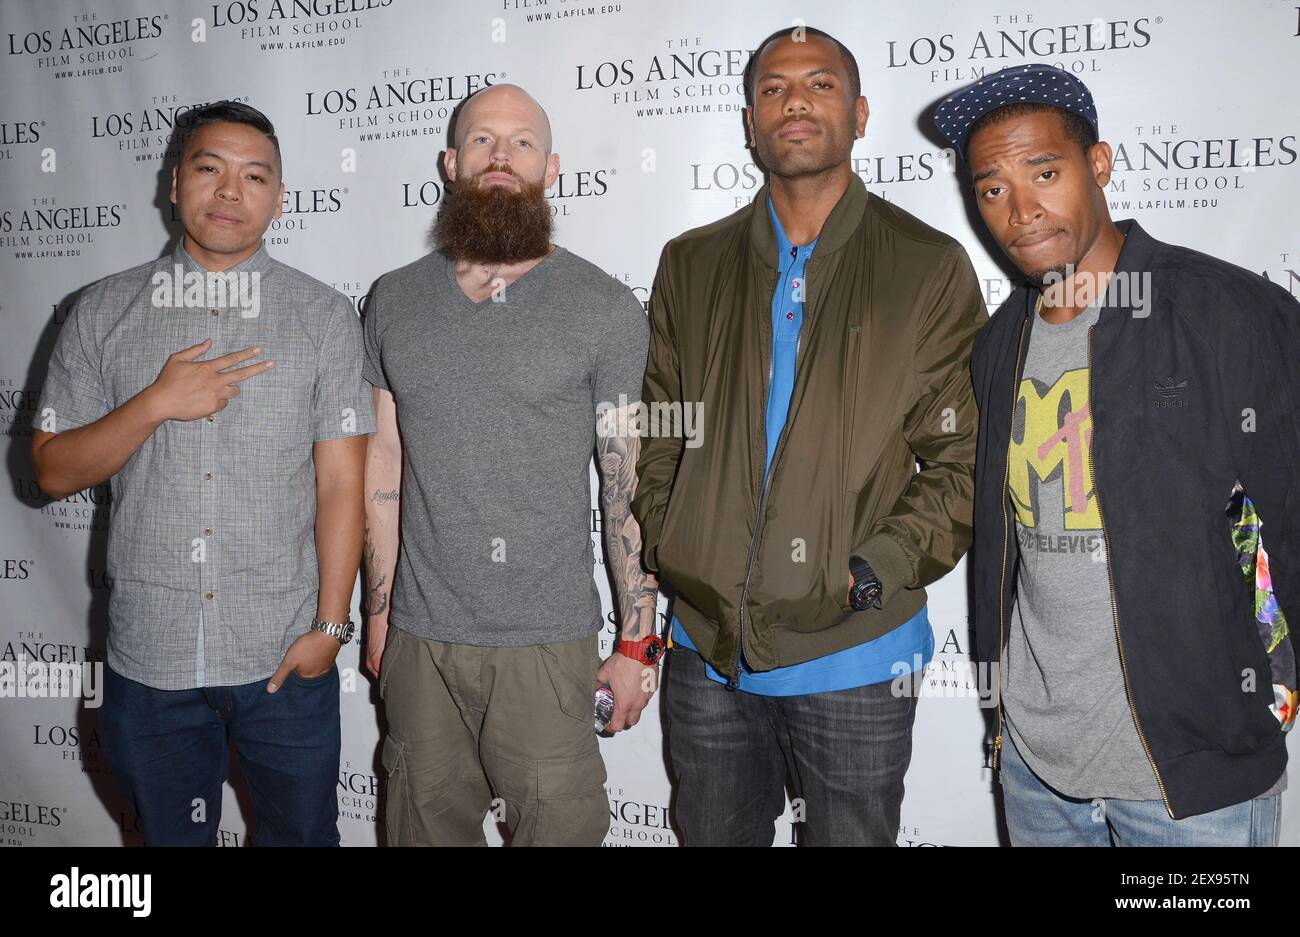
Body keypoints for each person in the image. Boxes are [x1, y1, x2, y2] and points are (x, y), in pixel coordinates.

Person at [633, 27, 986, 846]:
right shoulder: (690, 262)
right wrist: (676, 534)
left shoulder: (926, 265)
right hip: (706, 653)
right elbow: (657, 425)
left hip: (855, 656)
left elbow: (963, 457)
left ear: (861, 115)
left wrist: (868, 572)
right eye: (774, 88)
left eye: (820, 85)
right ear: (750, 123)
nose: (795, 100)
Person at [935, 63, 1297, 845]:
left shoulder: (1225, 312)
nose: (1020, 211)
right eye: (991, 188)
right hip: (1037, 773)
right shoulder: (999, 344)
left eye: (1044, 172)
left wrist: (1273, 681)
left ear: (1098, 166)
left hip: (1192, 785)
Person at [32, 100, 375, 846]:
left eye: (255, 176)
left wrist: (329, 626)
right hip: (149, 659)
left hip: (283, 655)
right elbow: (52, 470)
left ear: (279, 198)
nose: (230, 191)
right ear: (174, 181)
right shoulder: (100, 312)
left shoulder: (322, 317)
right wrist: (154, 403)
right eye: (209, 168)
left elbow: (343, 485)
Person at [361, 83, 654, 846]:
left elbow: (626, 490)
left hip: (547, 647)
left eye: (521, 142)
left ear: (550, 168)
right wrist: (379, 611)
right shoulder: (392, 300)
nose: (501, 155)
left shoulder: (603, 307)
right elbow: (383, 463)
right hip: (420, 644)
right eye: (483, 140)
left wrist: (635, 644)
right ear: (451, 163)